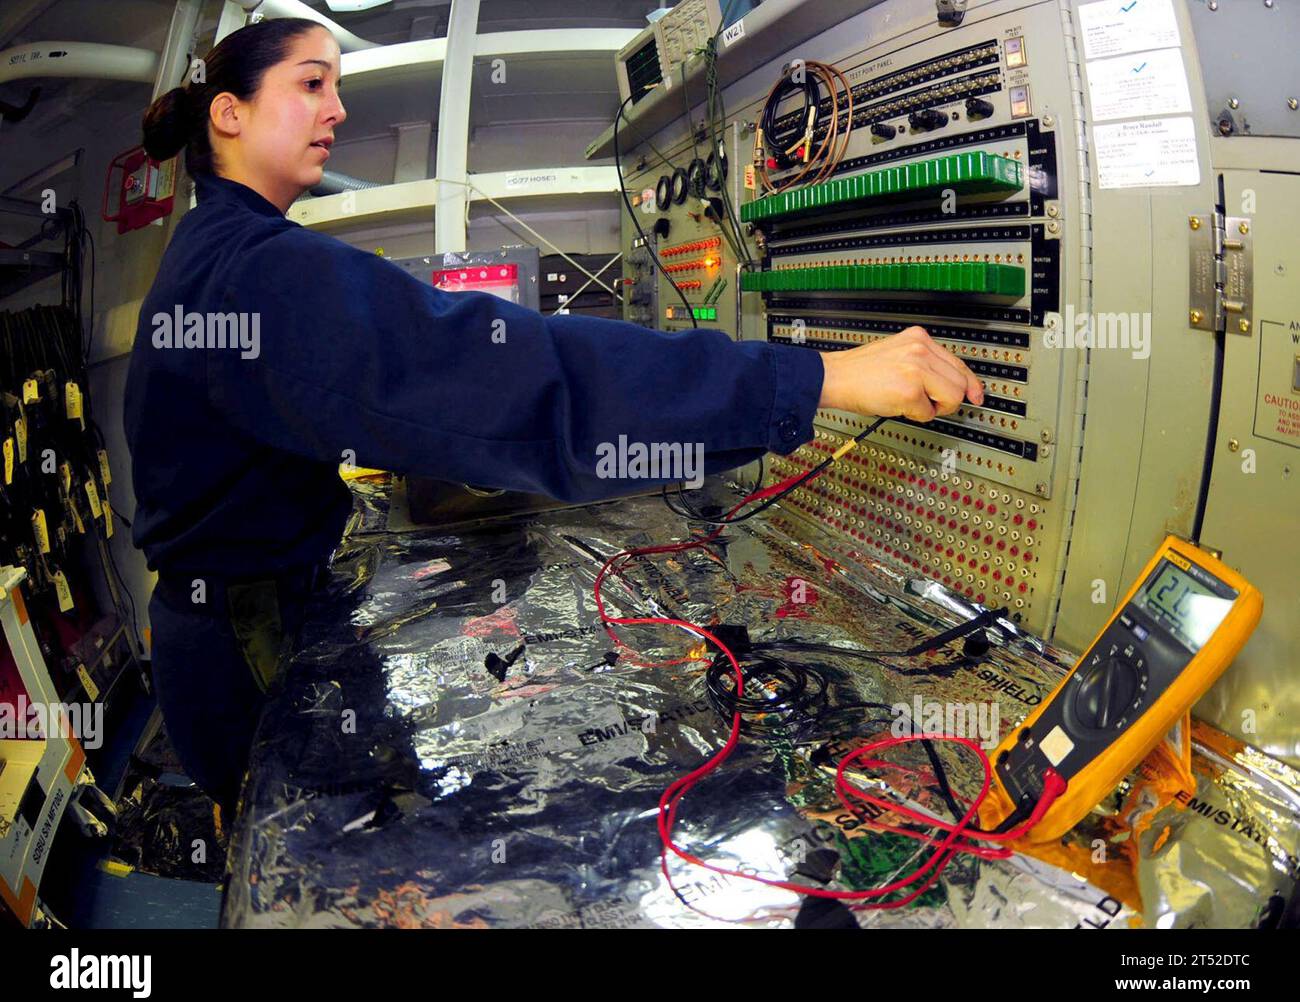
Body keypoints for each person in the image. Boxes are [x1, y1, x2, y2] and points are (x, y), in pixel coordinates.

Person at [125, 18, 983, 820]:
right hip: (246, 648)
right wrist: (813, 378)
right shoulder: (256, 271)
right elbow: (519, 378)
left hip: (221, 633)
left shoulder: (214, 254)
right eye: (311, 84)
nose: (338, 109)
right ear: (229, 114)